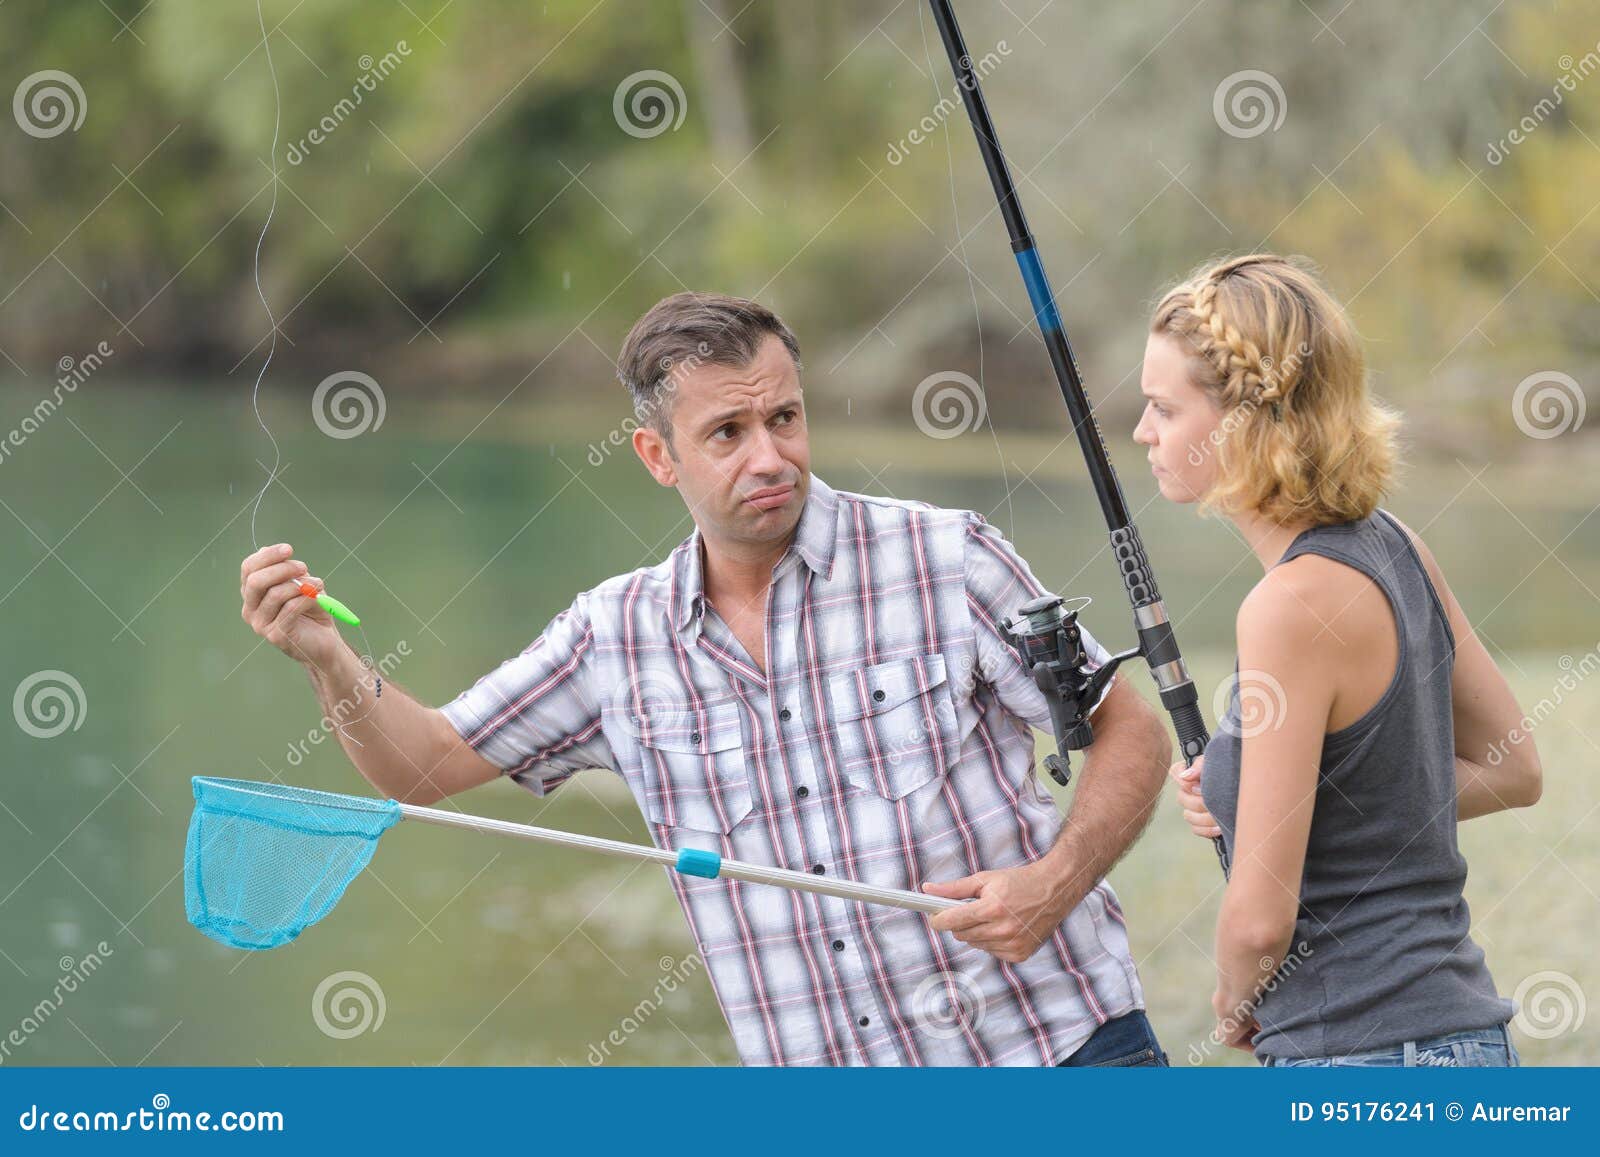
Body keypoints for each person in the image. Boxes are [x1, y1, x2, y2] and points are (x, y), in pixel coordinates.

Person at [239, 291, 1176, 1066]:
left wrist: (1055, 882)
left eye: (784, 417)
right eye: (727, 432)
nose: (769, 456)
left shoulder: (944, 557)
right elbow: (426, 766)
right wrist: (329, 658)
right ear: (659, 456)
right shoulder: (614, 637)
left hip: (1067, 1058)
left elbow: (1130, 731)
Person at [1135, 254, 1543, 1067]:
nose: (1144, 432)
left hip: (1362, 1058)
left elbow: (1259, 923)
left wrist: (1231, 999)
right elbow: (1513, 768)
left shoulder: (1285, 609)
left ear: (1243, 421)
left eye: (1163, 409)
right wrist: (1262, 800)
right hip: (1466, 1042)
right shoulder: (1396, 548)